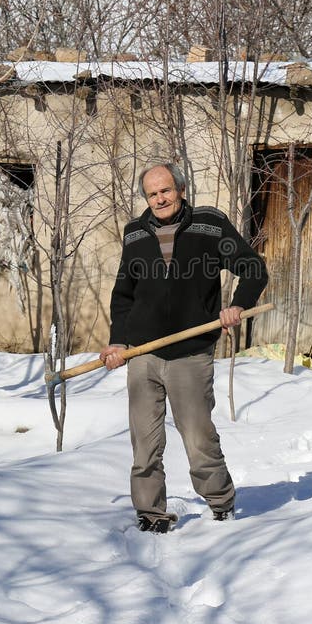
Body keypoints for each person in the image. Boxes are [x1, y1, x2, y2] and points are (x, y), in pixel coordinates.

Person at [99, 161, 268, 533]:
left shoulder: (209, 225)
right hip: (142, 355)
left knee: (197, 436)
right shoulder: (134, 234)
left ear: (181, 190)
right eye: (152, 194)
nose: (159, 199)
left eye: (166, 191)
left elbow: (252, 266)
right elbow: (123, 294)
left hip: (190, 354)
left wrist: (238, 304)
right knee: (144, 440)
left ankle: (221, 504)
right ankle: (150, 511)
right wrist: (117, 341)